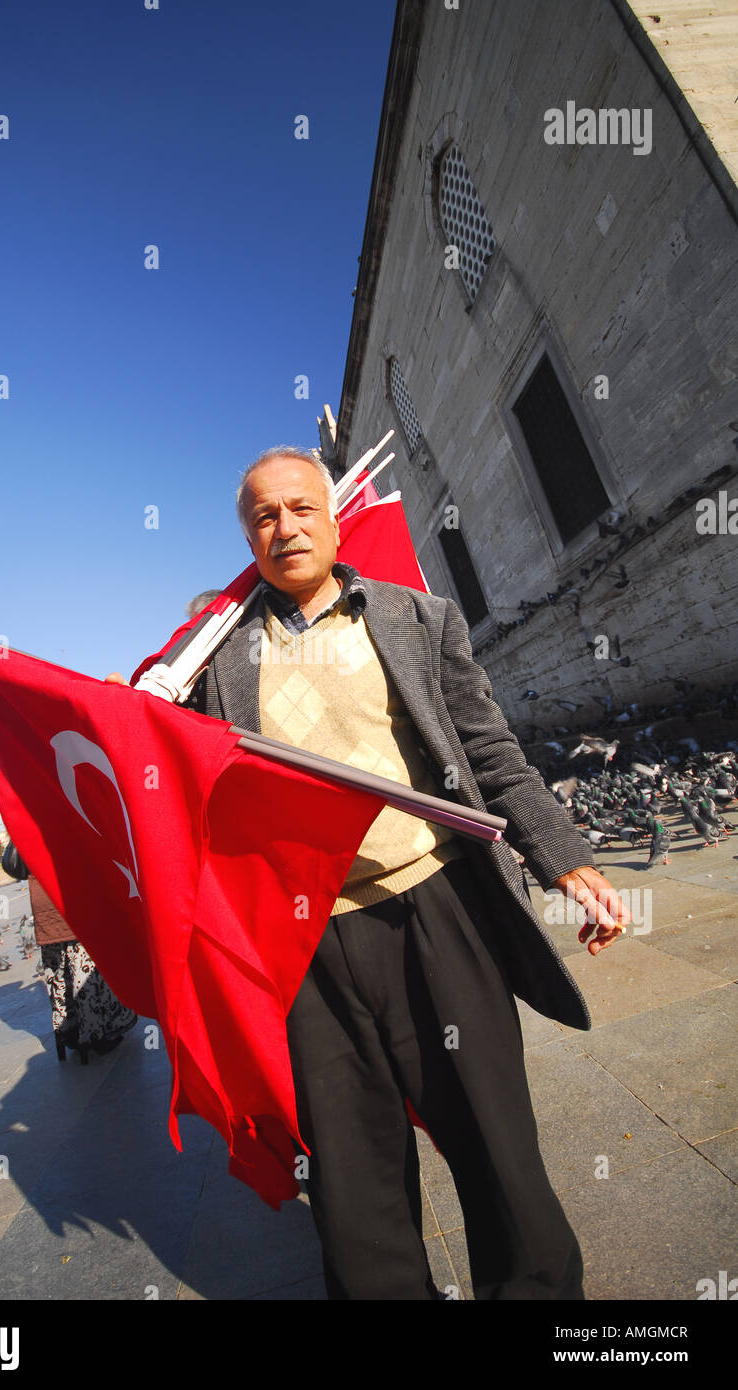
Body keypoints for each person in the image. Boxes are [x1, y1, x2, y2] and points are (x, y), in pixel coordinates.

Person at [107, 446, 629, 1300]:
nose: (286, 527)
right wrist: (127, 721)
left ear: (334, 514)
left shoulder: (417, 620)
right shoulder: (218, 662)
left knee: (494, 1143)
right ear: (249, 537)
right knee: (351, 1180)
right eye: (264, 516)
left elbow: (491, 754)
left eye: (301, 508)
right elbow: (173, 780)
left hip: (437, 909)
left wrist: (564, 858)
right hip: (305, 945)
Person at [27, 872, 139, 1064]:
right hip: (70, 897)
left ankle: (67, 1032)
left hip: (43, 902)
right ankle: (94, 1035)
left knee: (58, 976)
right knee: (86, 975)